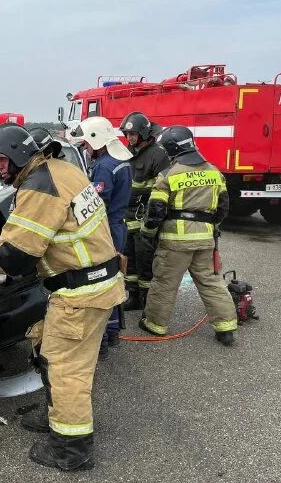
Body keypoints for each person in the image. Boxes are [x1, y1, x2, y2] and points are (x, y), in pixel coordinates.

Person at [0, 123, 124, 471]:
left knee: (66, 369)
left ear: (18, 154)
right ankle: (54, 414)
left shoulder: (39, 187)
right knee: (46, 349)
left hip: (81, 293)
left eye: (0, 160)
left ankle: (71, 450)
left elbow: (16, 255)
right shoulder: (62, 170)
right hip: (94, 283)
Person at [138, 125, 238, 346]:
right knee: (211, 282)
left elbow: (155, 211)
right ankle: (226, 328)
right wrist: (210, 227)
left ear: (172, 149)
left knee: (165, 282)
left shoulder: (168, 175)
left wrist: (148, 232)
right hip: (205, 241)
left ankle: (155, 325)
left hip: (174, 244)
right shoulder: (214, 172)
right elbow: (222, 208)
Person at [69, 117, 133, 358]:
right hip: (118, 227)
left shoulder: (104, 166)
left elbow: (96, 203)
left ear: (96, 141)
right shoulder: (122, 162)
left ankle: (102, 342)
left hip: (106, 230)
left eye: (86, 145)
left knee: (100, 283)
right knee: (114, 279)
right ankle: (114, 331)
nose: (86, 149)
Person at [119, 112, 170, 311]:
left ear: (143, 133)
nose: (129, 138)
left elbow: (165, 186)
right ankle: (133, 295)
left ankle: (148, 299)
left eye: (133, 134)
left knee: (146, 259)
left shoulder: (158, 154)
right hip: (128, 215)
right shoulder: (128, 151)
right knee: (128, 256)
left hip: (145, 215)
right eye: (127, 134)